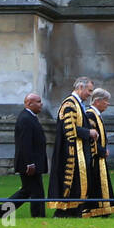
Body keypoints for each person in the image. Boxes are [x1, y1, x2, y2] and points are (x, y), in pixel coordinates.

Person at [47, 76, 98, 217]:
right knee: (69, 182)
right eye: (89, 90)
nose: (90, 94)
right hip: (70, 152)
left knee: (78, 182)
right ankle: (63, 212)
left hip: (79, 151)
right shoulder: (69, 104)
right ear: (80, 87)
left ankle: (75, 211)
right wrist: (89, 132)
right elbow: (69, 130)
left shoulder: (78, 104)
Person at [0, 92, 47, 218]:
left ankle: (1, 211)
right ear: (29, 103)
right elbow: (25, 143)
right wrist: (30, 163)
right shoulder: (25, 119)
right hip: (29, 164)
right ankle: (38, 216)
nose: (41, 104)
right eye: (38, 102)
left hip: (32, 162)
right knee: (35, 191)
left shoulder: (30, 117)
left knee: (29, 190)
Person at [84, 87, 114, 217]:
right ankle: (96, 209)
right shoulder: (90, 114)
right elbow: (91, 139)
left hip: (99, 155)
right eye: (106, 101)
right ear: (97, 101)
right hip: (95, 157)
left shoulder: (96, 114)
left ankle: (102, 208)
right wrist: (101, 151)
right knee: (96, 183)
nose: (107, 104)